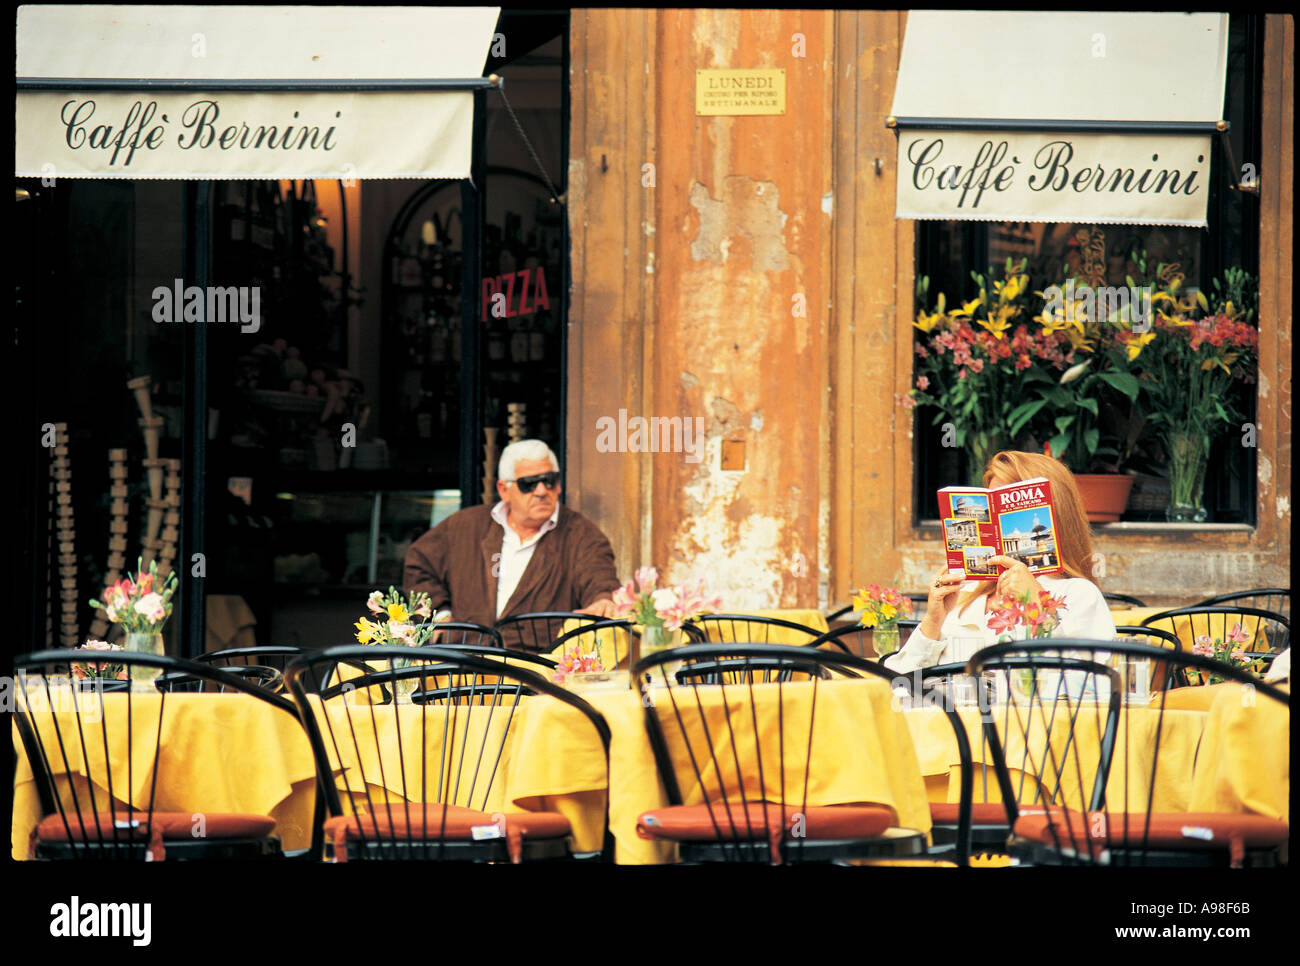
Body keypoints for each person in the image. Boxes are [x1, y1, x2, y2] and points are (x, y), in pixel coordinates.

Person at [884, 450, 1116, 673]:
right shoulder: (967, 593)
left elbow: (1087, 685)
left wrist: (1038, 605)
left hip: (1020, 714)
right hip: (947, 712)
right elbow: (899, 683)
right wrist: (933, 620)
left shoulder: (1078, 594)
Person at [403, 439, 621, 641]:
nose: (542, 491)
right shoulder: (465, 525)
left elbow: (600, 578)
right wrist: (439, 615)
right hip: (467, 664)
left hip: (537, 668)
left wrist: (603, 600)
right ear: (503, 490)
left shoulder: (581, 534)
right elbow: (419, 563)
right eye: (529, 484)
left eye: (549, 481)